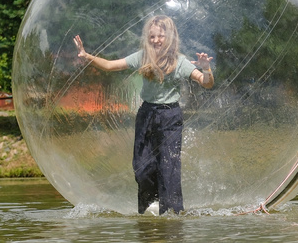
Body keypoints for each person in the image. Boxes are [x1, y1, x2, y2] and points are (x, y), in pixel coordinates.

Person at [74, 15, 214, 215]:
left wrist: (206, 68)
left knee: (168, 169)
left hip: (170, 117)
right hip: (146, 114)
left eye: (160, 36)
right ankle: (149, 210)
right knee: (142, 167)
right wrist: (86, 56)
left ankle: (172, 215)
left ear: (170, 37)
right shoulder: (142, 57)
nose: (156, 40)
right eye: (152, 36)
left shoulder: (179, 62)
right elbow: (110, 66)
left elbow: (206, 83)